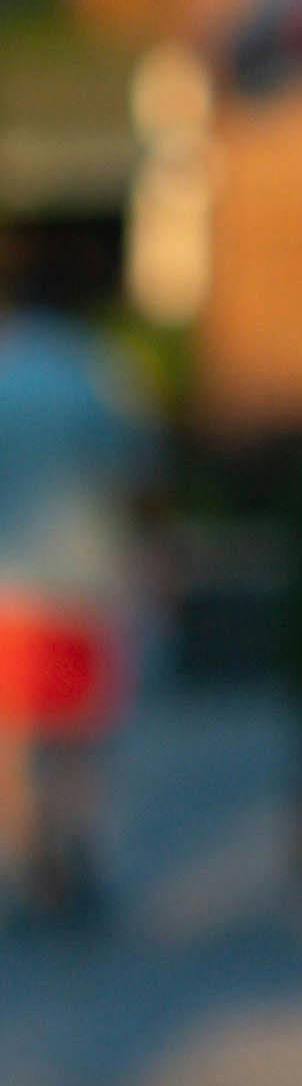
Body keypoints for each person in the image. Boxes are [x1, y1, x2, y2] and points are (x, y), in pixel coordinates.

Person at [0, 227, 150, 928]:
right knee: (79, 737)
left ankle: (27, 860)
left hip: (11, 585)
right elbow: (135, 477)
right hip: (86, 585)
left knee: (14, 735)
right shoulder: (99, 372)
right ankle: (74, 852)